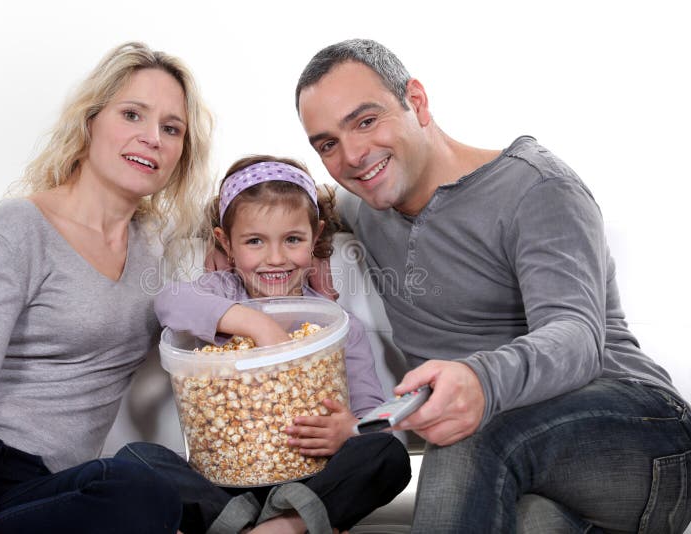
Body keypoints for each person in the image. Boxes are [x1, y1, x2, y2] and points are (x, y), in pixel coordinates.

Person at [295, 39, 691, 533]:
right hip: (529, 472)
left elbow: (575, 335)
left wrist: (480, 382)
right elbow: (283, 200)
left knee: (466, 431)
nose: (352, 154)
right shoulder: (364, 204)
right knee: (535, 524)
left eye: (366, 120)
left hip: (640, 438)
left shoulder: (536, 187)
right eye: (327, 143)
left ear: (415, 102)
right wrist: (231, 236)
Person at [0, 41, 213, 534]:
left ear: (180, 154)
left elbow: (255, 207)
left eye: (171, 129)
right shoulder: (20, 226)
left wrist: (318, 242)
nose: (152, 137)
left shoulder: (159, 246)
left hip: (36, 482)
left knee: (143, 495)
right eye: (132, 114)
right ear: (90, 122)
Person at [117, 155, 411, 534]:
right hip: (224, 478)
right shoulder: (221, 293)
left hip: (309, 476)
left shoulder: (336, 325)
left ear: (315, 237)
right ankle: (267, 525)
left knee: (388, 455)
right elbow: (169, 302)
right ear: (227, 243)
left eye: (292, 240)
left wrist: (349, 430)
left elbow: (374, 415)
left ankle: (283, 524)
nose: (275, 258)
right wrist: (255, 323)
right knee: (134, 460)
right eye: (255, 241)